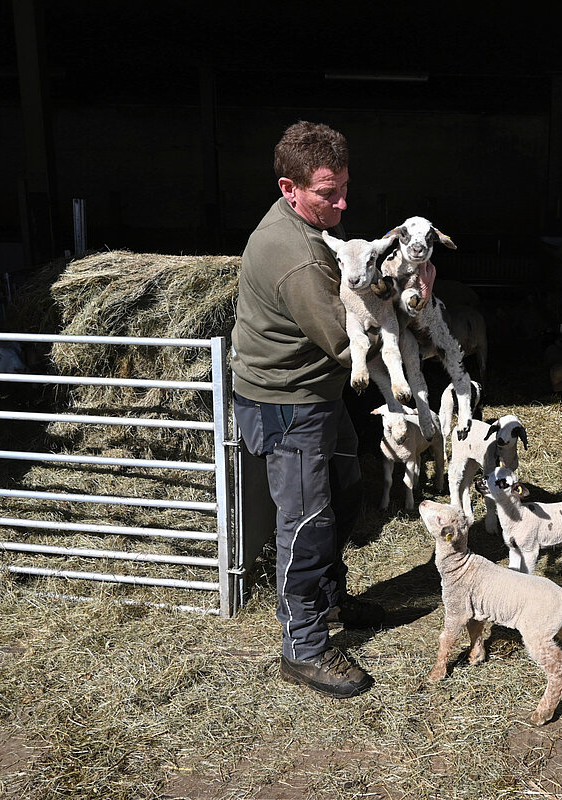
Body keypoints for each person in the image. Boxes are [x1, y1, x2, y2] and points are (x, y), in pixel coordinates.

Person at [231, 121, 386, 699]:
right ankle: (304, 646)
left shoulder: (319, 229)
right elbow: (345, 341)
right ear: (289, 189)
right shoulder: (294, 254)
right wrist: (410, 317)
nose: (342, 204)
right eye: (328, 192)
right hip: (287, 403)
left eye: (345, 188)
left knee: (343, 496)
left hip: (319, 394)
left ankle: (331, 598)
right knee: (305, 521)